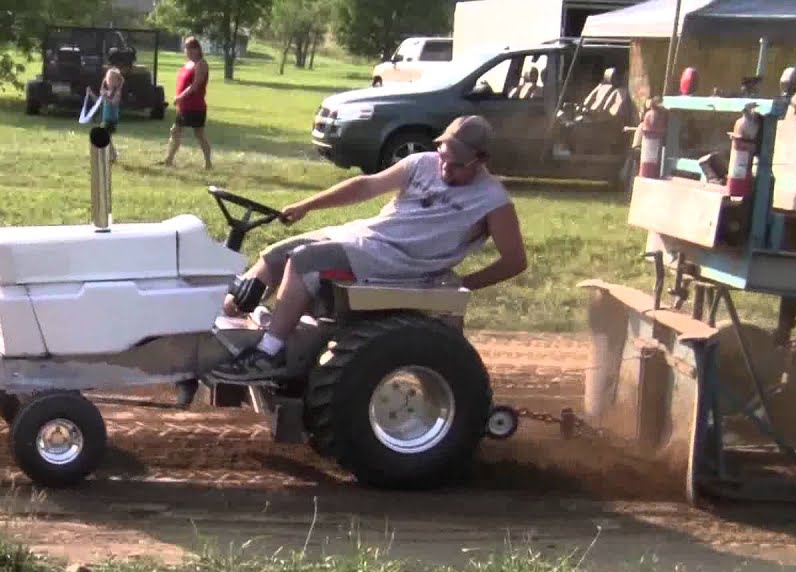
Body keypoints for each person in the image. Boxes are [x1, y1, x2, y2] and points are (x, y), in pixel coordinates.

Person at [209, 115, 529, 383]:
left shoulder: (492, 201)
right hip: (368, 239)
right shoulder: (421, 163)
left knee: (305, 261)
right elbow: (366, 186)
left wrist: (464, 284)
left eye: (457, 165)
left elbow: (515, 260)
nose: (445, 168)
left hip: (402, 262)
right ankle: (219, 328)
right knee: (278, 253)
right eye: (443, 157)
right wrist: (307, 205)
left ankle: (266, 355)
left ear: (482, 159)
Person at [162, 36, 211, 170]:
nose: (187, 51)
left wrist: (179, 97)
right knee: (175, 131)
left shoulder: (201, 64)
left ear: (196, 49)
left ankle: (208, 163)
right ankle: (169, 159)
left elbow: (195, 86)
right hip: (184, 106)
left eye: (189, 49)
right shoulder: (188, 64)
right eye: (185, 49)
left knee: (199, 135)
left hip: (195, 106)